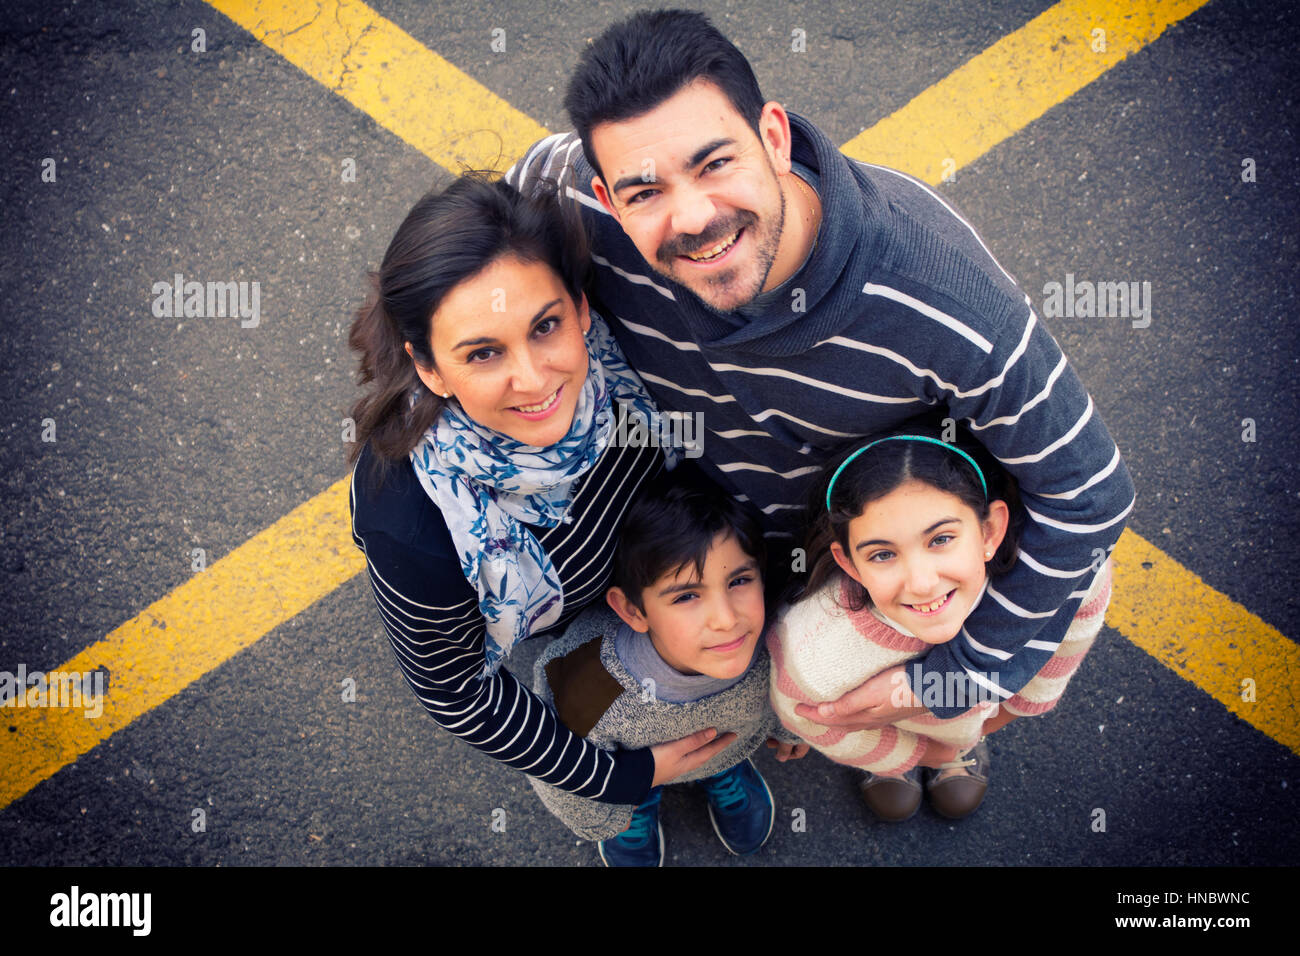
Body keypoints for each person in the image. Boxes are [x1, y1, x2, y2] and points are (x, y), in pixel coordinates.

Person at [504, 10, 1135, 780]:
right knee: (800, 698)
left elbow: (1090, 493)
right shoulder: (572, 198)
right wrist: (423, 406)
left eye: (714, 163)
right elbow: (467, 256)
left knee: (869, 691)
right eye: (645, 191)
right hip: (746, 555)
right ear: (607, 193)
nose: (694, 217)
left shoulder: (944, 301)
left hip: (879, 557)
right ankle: (884, 743)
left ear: (774, 136)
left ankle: (951, 745)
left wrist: (957, 678)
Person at [347, 173, 738, 816]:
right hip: (564, 623)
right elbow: (458, 691)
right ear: (428, 368)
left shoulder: (627, 345)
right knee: (599, 710)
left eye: (546, 326)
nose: (533, 380)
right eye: (481, 354)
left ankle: (719, 744)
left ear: (582, 308)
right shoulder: (410, 518)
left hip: (655, 573)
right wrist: (622, 777)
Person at [769, 423, 1112, 821]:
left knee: (957, 737)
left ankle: (961, 747)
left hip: (976, 719)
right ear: (849, 564)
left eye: (940, 539)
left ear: (989, 530)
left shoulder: (1057, 577)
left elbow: (1082, 613)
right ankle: (909, 762)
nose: (921, 583)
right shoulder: (813, 651)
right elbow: (806, 717)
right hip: (904, 732)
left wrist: (1012, 711)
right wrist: (916, 754)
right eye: (882, 554)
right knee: (900, 763)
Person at [527, 470, 808, 866]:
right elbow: (557, 771)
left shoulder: (776, 639)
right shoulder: (588, 688)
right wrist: (609, 808)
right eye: (687, 596)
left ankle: (722, 771)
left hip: (732, 742)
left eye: (739, 580)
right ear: (632, 610)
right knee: (631, 787)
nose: (727, 620)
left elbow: (795, 684)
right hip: (630, 776)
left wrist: (791, 725)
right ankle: (636, 805)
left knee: (721, 752)